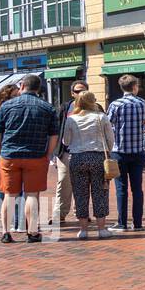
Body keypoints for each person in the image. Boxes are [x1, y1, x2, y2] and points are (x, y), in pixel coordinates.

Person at [0, 74, 59, 244]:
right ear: (38, 89)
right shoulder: (47, 108)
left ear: (22, 86)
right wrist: (47, 154)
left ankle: (6, 233)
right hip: (36, 156)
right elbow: (53, 136)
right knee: (32, 195)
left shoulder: (6, 106)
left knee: (9, 194)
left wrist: (1, 151)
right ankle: (32, 232)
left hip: (10, 156)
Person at [61, 92, 116, 240]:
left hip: (77, 158)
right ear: (93, 102)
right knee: (100, 192)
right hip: (98, 157)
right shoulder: (101, 117)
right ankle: (102, 229)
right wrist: (107, 152)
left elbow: (66, 141)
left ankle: (83, 229)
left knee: (80, 193)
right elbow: (110, 139)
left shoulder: (71, 119)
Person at [107, 74, 145, 232]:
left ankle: (122, 223)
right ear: (134, 87)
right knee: (137, 189)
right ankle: (137, 223)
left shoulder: (115, 104)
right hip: (138, 151)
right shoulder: (142, 103)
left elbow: (109, 124)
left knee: (121, 188)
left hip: (120, 151)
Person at [0, 84, 26, 234]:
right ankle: (10, 221)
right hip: (4, 152)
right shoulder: (2, 111)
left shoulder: (4, 110)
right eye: (14, 96)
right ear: (6, 97)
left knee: (8, 188)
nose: (17, 98)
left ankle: (13, 221)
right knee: (8, 189)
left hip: (6, 151)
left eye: (18, 96)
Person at [52, 80, 88, 226]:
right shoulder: (65, 107)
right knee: (63, 182)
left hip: (87, 151)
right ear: (72, 93)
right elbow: (57, 128)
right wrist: (55, 151)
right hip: (66, 151)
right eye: (77, 91)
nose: (80, 94)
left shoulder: (95, 108)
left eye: (83, 90)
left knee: (84, 184)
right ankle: (59, 214)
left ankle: (81, 212)